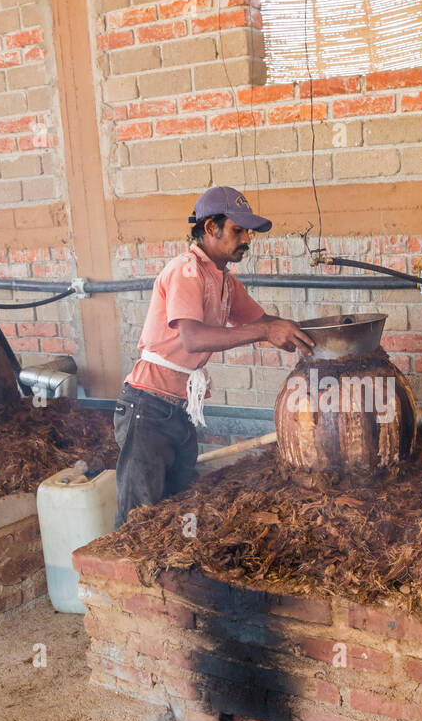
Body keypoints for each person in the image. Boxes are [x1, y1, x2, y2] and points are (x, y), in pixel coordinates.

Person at [113, 185, 314, 527]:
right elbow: (193, 339)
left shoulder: (224, 282)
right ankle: (120, 578)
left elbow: (261, 321)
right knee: (139, 518)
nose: (246, 239)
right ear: (210, 228)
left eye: (247, 231)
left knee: (178, 507)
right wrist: (266, 332)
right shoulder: (185, 271)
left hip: (179, 411)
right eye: (238, 230)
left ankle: (169, 579)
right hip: (146, 408)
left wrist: (299, 332)